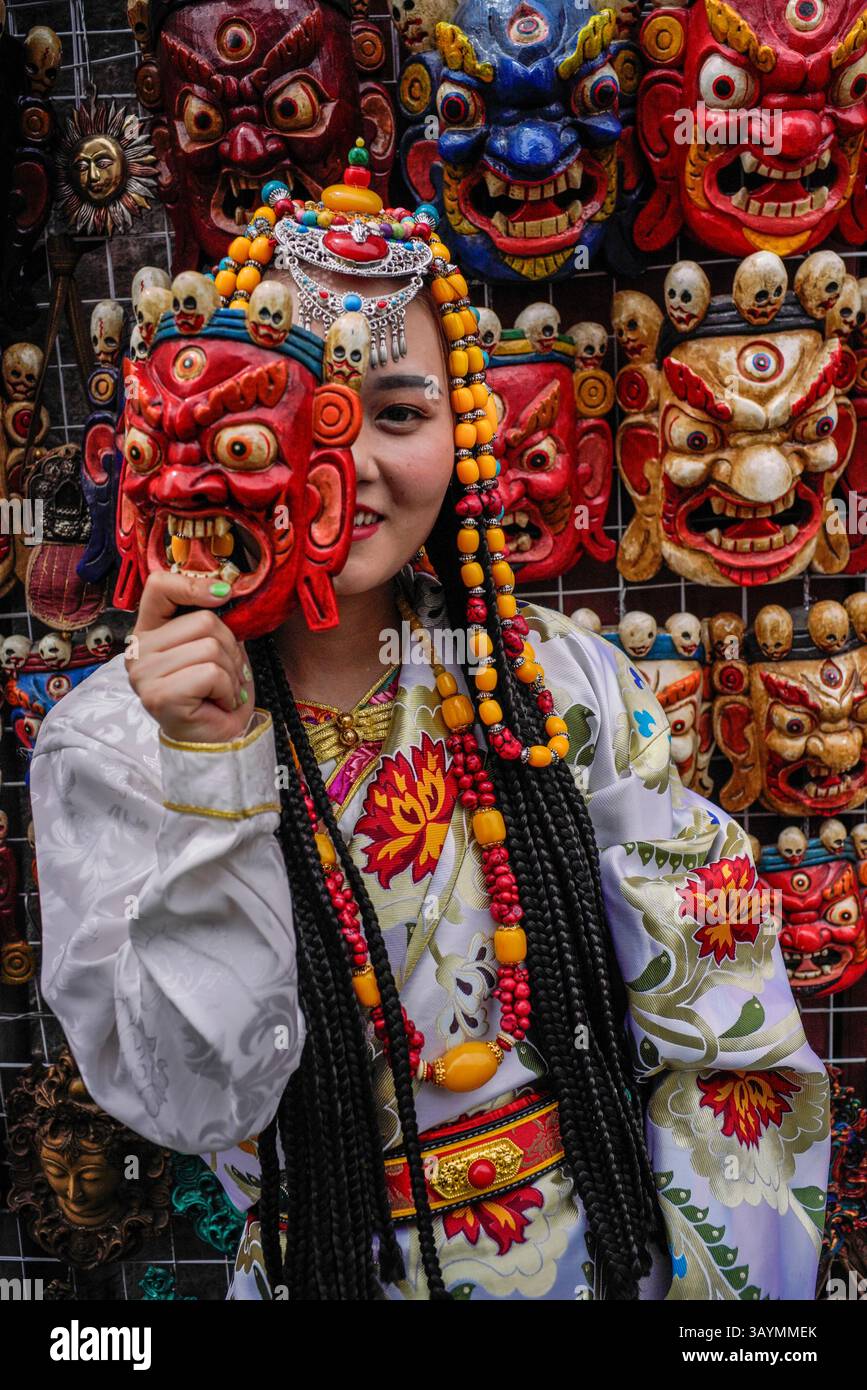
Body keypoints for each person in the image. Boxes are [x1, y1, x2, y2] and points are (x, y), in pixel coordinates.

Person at [30, 151, 830, 1302]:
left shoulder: (555, 685)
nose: (345, 464)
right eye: (294, 409)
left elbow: (729, 1018)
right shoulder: (114, 742)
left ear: (464, 435)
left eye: (397, 413)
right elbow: (198, 1100)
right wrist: (209, 766)